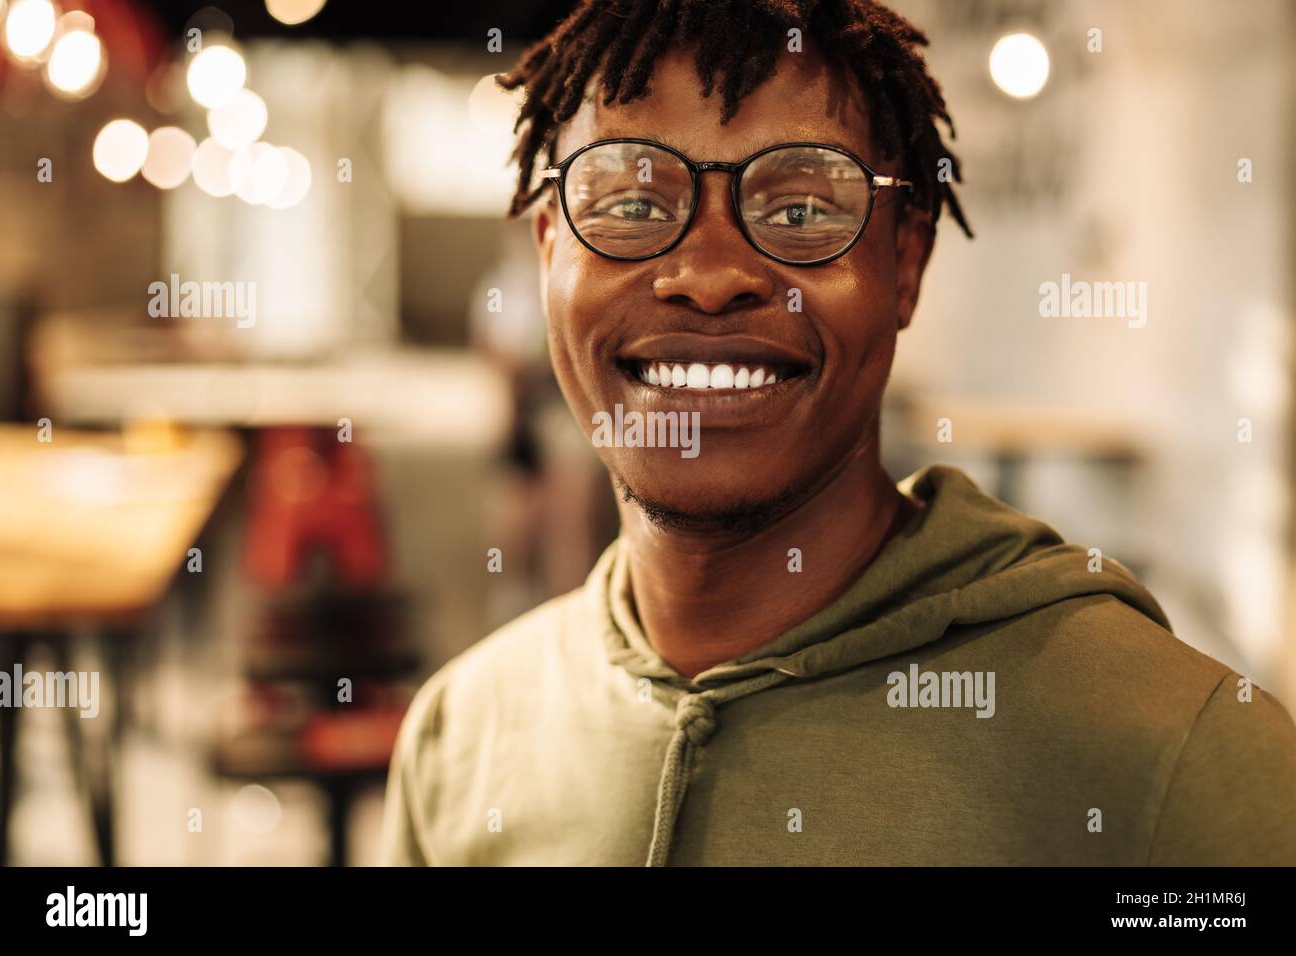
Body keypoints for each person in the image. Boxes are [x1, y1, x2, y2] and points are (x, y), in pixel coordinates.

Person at [383, 0, 1296, 865]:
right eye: (631, 204)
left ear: (906, 263)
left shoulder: (1175, 753)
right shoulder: (461, 739)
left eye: (800, 211)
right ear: (549, 252)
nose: (707, 274)